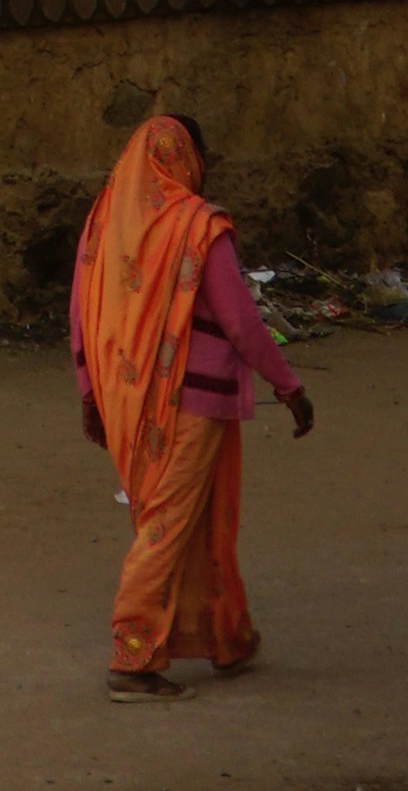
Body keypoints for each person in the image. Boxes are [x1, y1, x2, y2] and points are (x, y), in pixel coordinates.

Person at [69, 108, 314, 693]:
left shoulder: (107, 223)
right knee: (169, 523)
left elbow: (81, 313)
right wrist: (289, 384)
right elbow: (241, 321)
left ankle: (227, 636)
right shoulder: (199, 227)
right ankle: (132, 653)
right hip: (193, 403)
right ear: (185, 158)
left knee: (195, 517)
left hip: (129, 399)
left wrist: (88, 392)